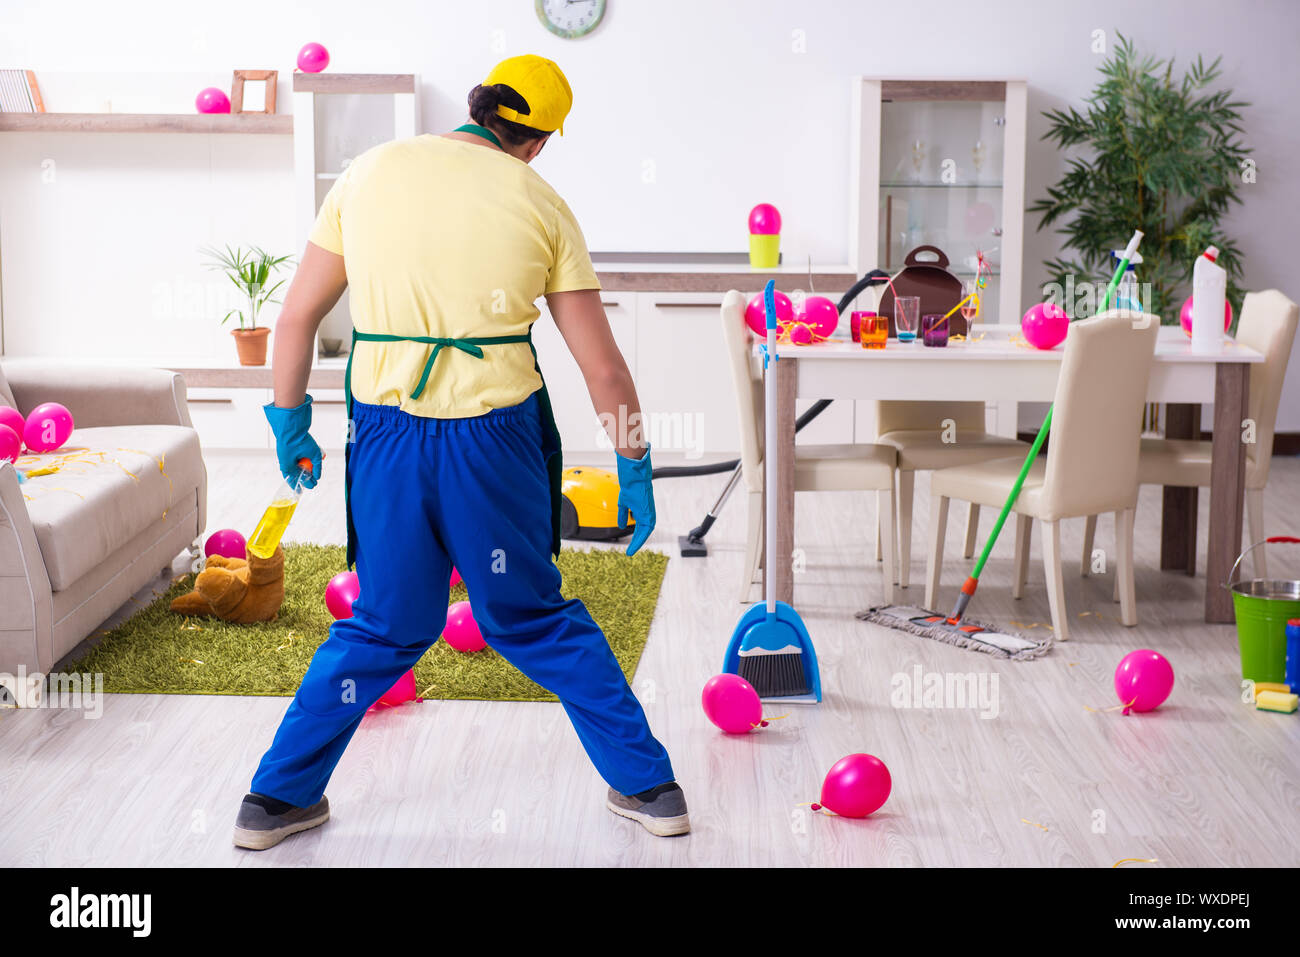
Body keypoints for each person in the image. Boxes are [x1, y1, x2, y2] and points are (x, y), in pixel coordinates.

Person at [232, 55, 687, 850]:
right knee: (533, 618)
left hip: (387, 434)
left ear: (476, 106)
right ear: (538, 142)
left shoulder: (368, 173)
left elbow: (296, 318)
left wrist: (288, 417)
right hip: (494, 440)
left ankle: (272, 803)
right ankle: (651, 790)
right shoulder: (541, 201)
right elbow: (604, 367)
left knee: (383, 625)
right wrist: (634, 466)